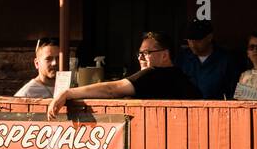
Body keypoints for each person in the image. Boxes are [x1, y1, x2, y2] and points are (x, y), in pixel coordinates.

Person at [47, 30, 198, 116]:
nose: (141, 58)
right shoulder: (180, 75)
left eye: (146, 53)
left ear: (165, 55)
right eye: (139, 54)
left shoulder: (153, 73)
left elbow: (111, 90)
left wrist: (68, 93)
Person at [180, 19, 243, 99]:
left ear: (209, 37)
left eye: (197, 40)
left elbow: (234, 93)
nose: (193, 45)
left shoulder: (226, 60)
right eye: (189, 40)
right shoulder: (182, 59)